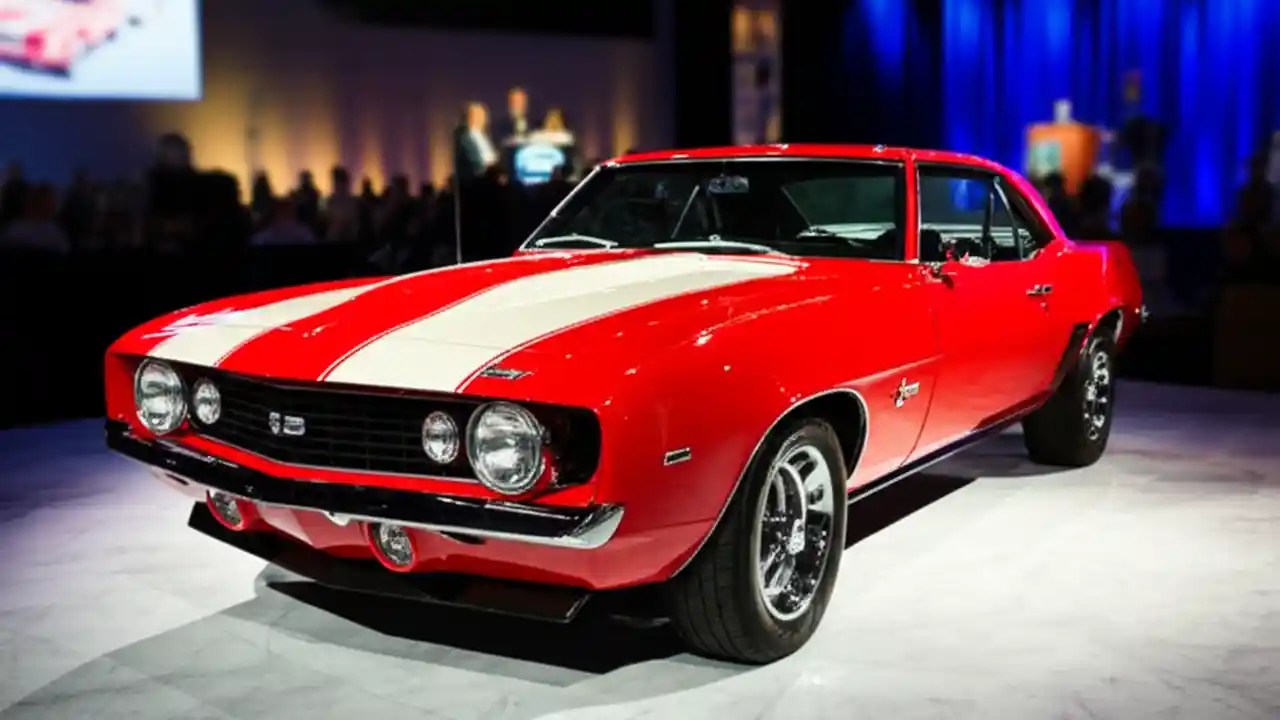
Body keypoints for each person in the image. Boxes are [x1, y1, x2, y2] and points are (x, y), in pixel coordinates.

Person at [452, 102, 496, 182]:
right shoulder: (465, 139)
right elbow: (476, 163)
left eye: (484, 116)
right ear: (470, 117)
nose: (483, 119)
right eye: (479, 116)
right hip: (476, 182)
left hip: (491, 178)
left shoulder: (485, 137)